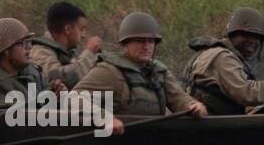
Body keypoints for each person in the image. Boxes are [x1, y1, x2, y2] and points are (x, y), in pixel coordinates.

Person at [71, 11, 205, 135]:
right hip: (117, 143)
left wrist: (194, 106)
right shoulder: (109, 71)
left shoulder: (159, 72)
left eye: (150, 41)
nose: (146, 46)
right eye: (140, 41)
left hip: (150, 141)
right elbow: (73, 99)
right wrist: (104, 118)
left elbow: (179, 100)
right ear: (126, 44)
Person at [182, 7, 264, 114]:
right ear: (232, 35)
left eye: (257, 37)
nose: (252, 41)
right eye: (246, 35)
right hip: (206, 128)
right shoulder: (222, 57)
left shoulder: (220, 54)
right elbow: (248, 94)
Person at [31, 1, 101, 88]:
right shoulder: (39, 51)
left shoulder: (69, 52)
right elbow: (59, 78)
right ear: (67, 29)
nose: (83, 35)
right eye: (81, 29)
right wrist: (89, 54)